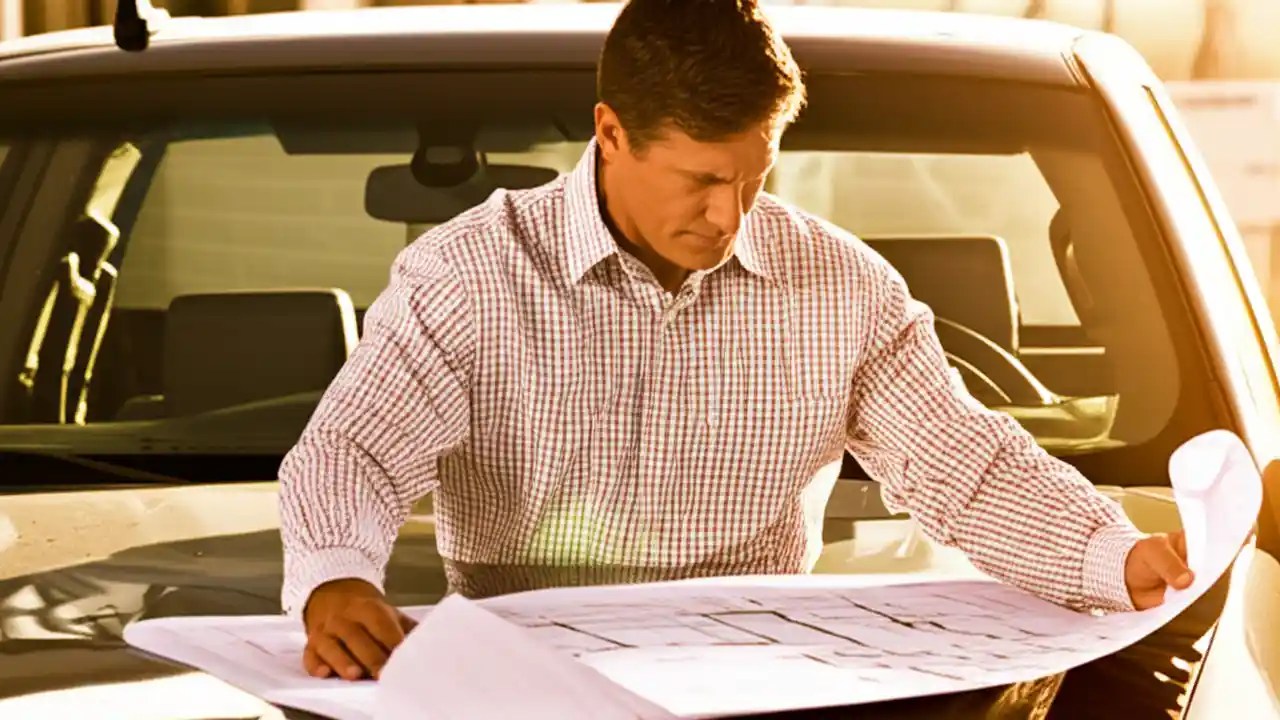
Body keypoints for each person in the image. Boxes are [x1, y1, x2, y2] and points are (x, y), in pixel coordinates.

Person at [277, 0, 1193, 682]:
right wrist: (334, 581)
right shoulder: (470, 276)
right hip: (526, 687)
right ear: (610, 133)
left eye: (755, 176)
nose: (730, 214)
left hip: (770, 689)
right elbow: (356, 448)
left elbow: (963, 464)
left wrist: (1110, 555)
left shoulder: (844, 289)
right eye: (702, 179)